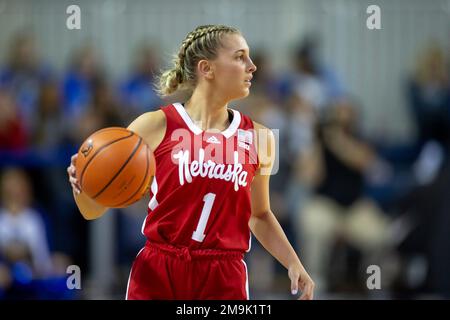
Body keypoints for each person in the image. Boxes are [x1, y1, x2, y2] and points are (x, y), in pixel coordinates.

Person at [67, 25, 314, 300]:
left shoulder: (262, 137)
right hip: (159, 269)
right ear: (206, 68)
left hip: (223, 275)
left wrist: (293, 262)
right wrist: (83, 183)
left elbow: (259, 215)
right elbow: (94, 209)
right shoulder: (154, 125)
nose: (252, 66)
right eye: (240, 57)